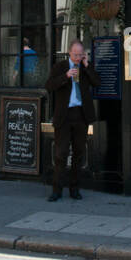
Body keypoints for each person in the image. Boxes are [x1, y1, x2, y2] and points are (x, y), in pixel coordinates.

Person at [46, 39, 100, 202]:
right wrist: (66, 76)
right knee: (61, 154)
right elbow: (49, 85)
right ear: (69, 53)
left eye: (80, 55)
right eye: (75, 55)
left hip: (81, 115)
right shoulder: (60, 67)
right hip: (64, 115)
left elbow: (97, 82)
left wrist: (87, 66)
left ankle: (74, 189)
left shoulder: (85, 67)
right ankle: (56, 189)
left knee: (78, 154)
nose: (77, 57)